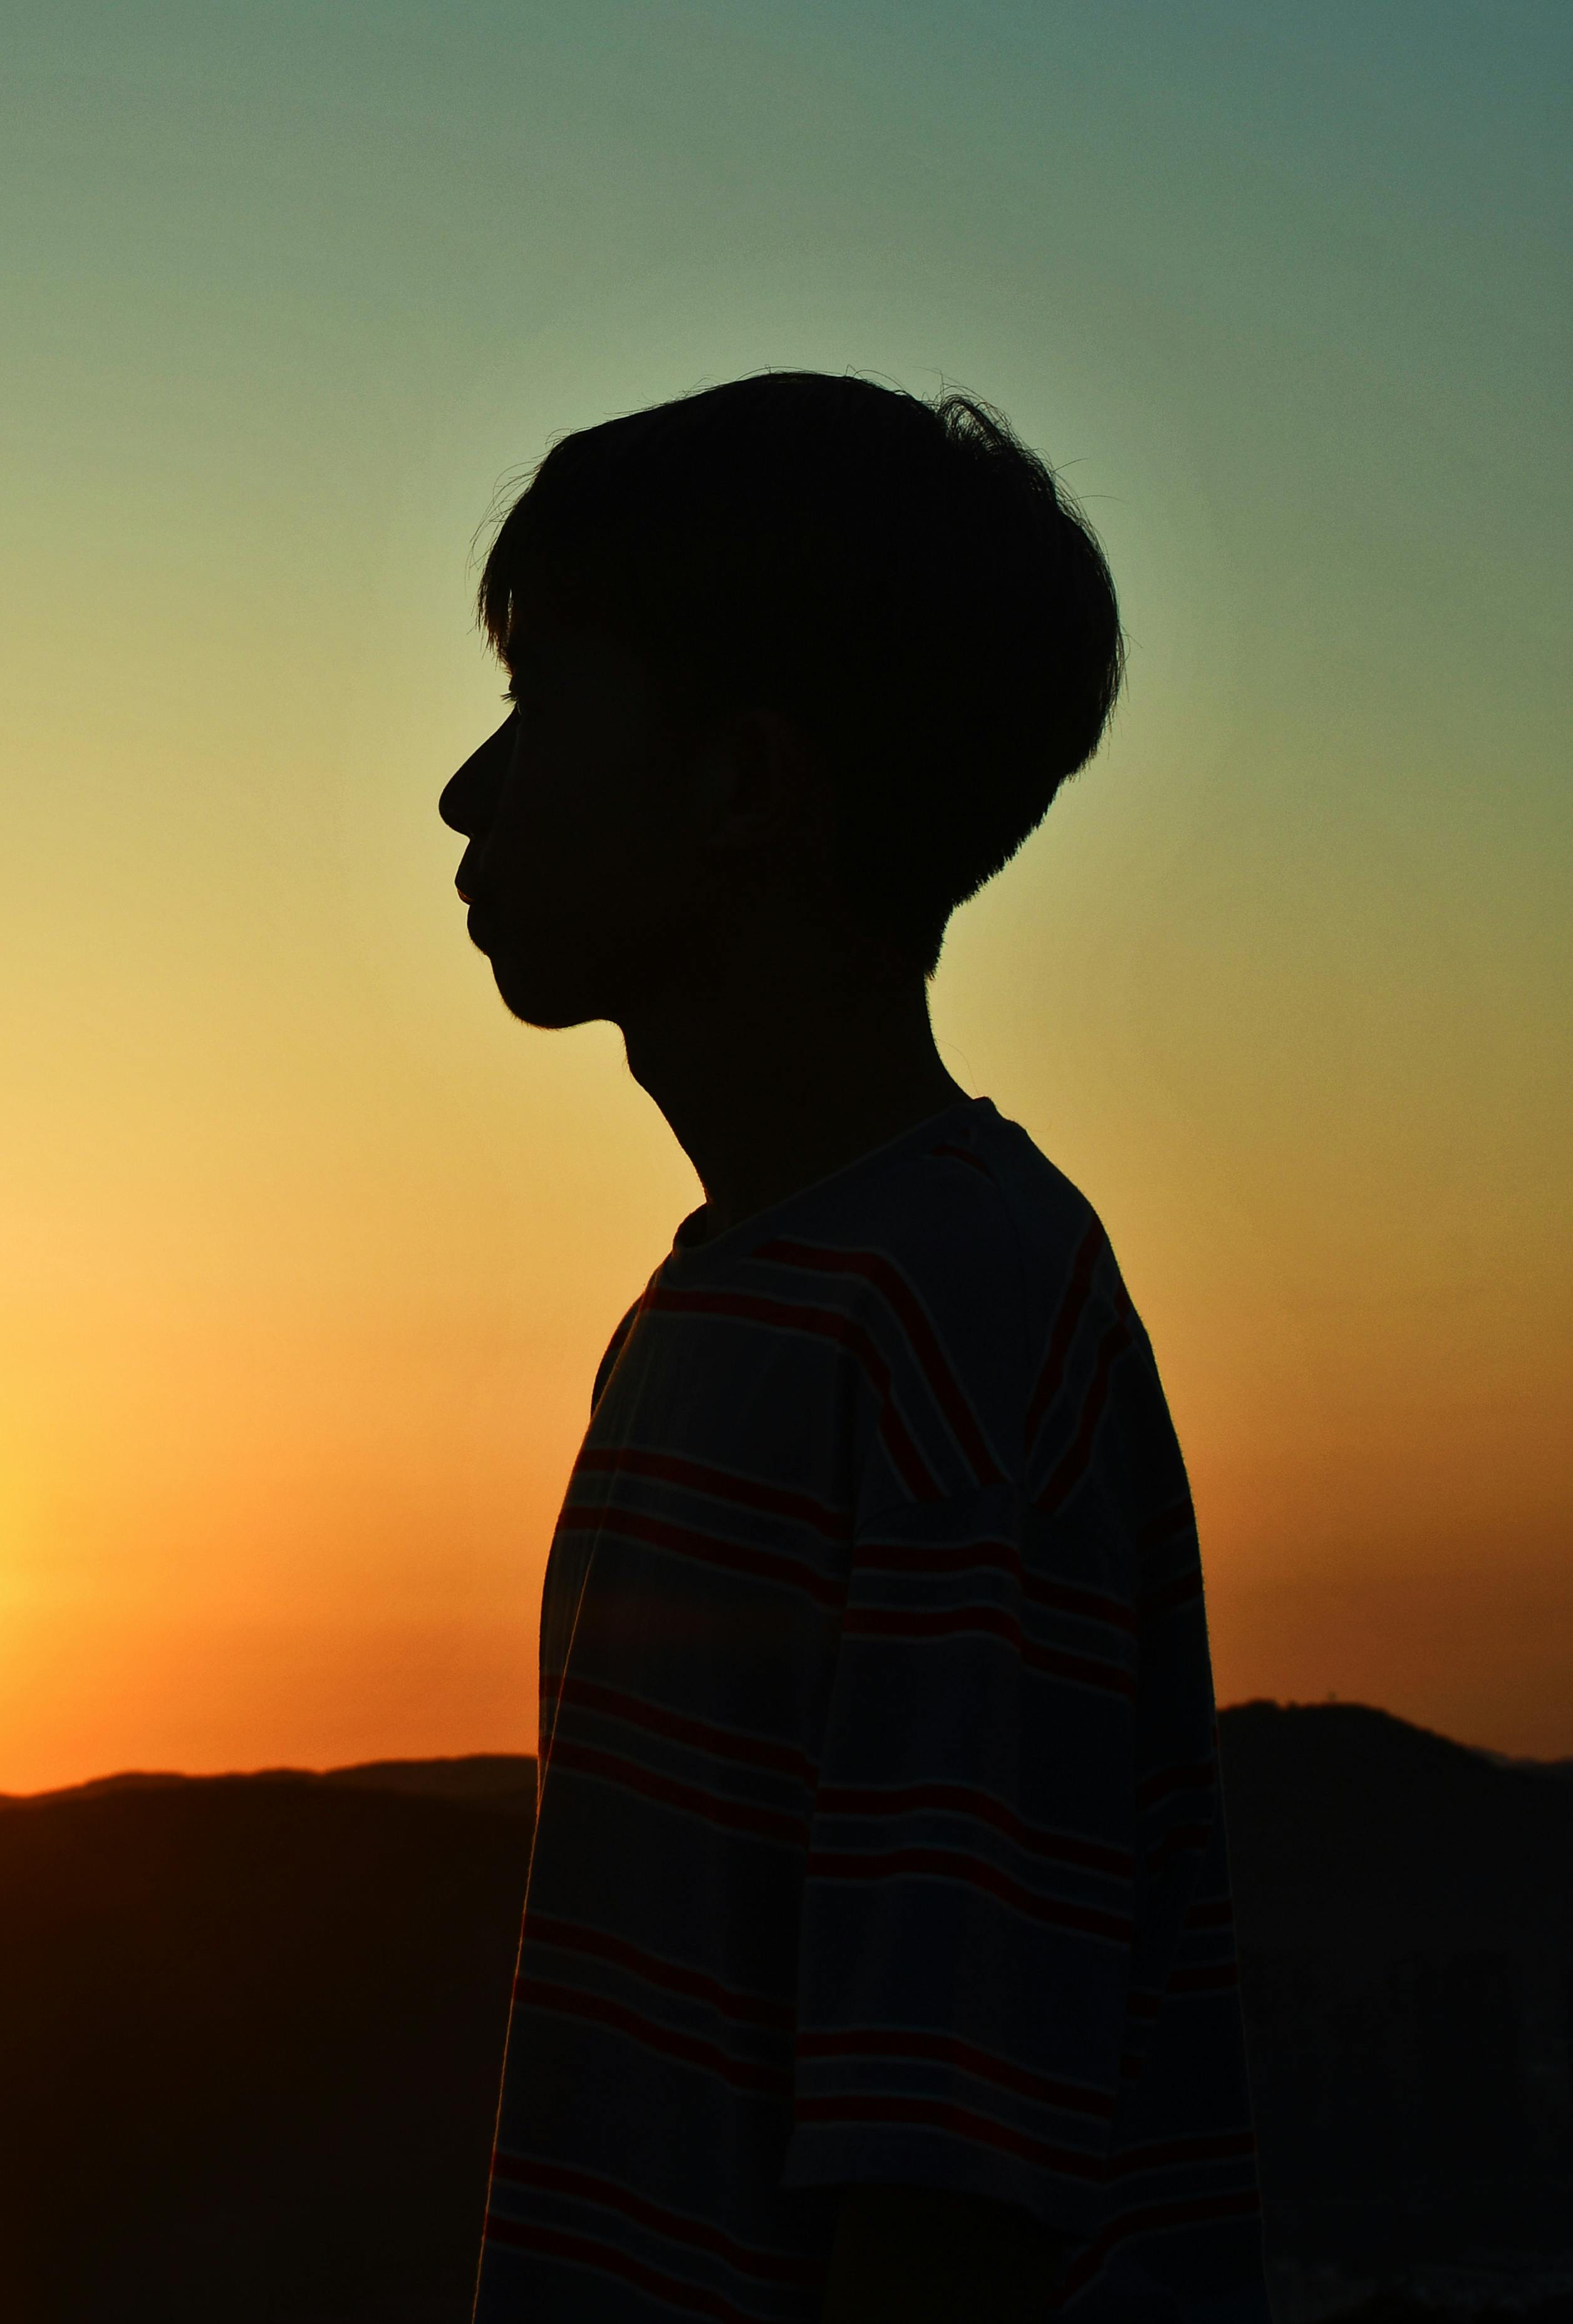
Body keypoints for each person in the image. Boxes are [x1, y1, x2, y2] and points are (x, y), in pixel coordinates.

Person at [440, 374, 1265, 2323]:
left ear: (744, 787)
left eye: (539, 700)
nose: (469, 790)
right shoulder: (748, 1294)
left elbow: (947, 2190)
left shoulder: (952, 1314)